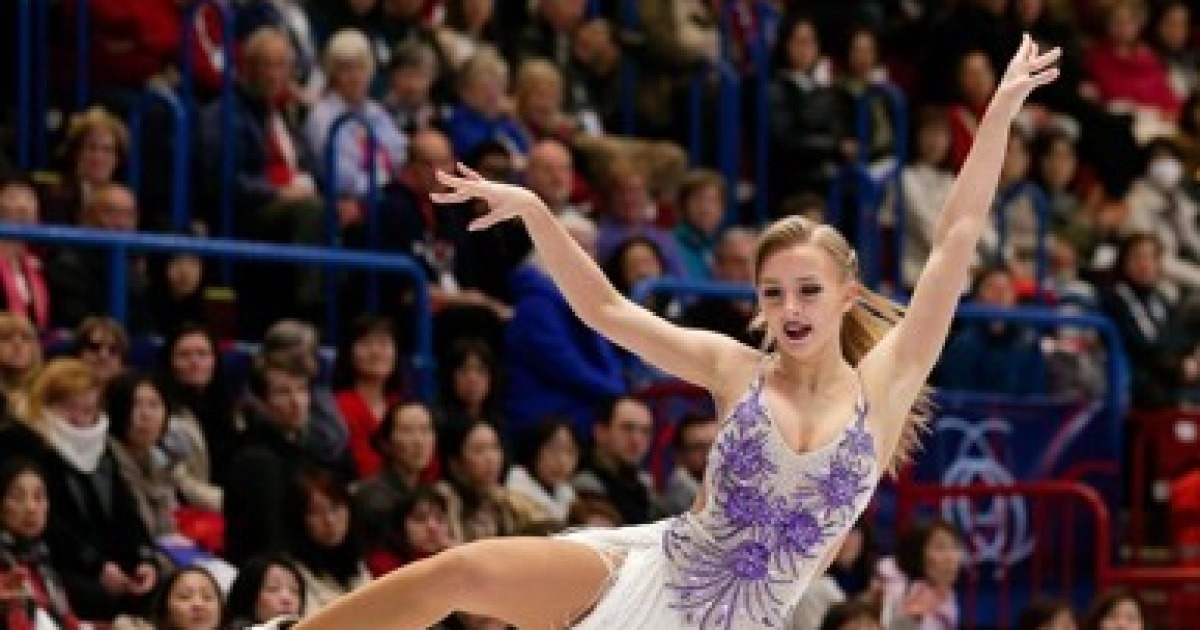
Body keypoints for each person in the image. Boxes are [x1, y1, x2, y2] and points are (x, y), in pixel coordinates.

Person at [253, 34, 1060, 630]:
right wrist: (537, 212)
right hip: (658, 569)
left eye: (810, 290)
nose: (791, 307)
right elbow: (606, 310)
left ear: (847, 296)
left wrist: (995, 115)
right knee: (460, 572)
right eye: (773, 292)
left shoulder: (888, 382)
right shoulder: (734, 367)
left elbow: (956, 237)